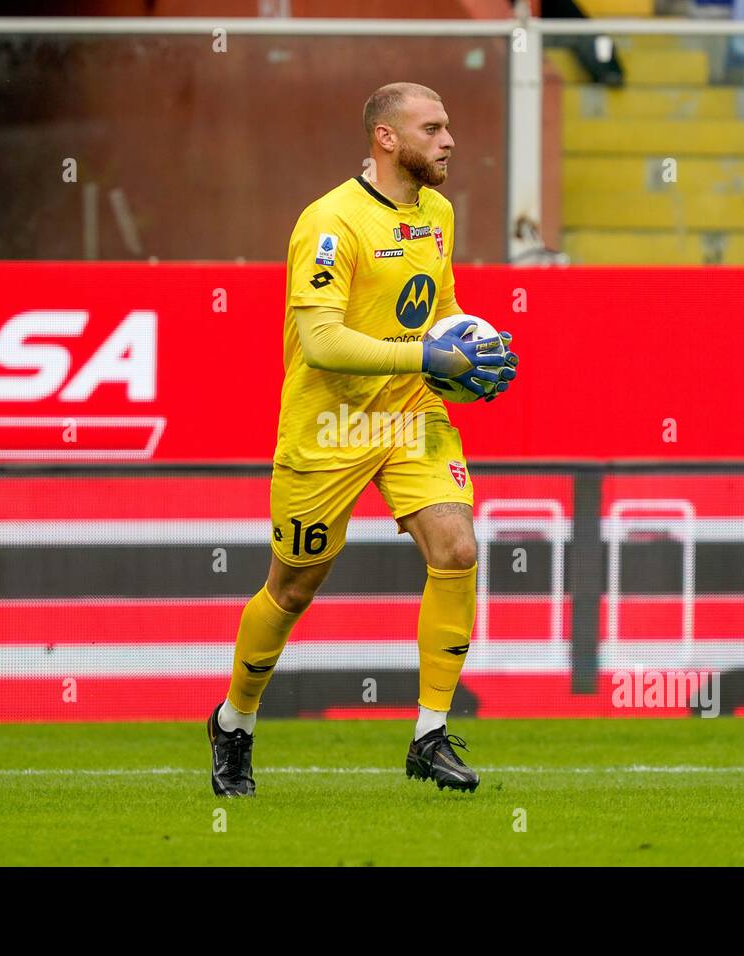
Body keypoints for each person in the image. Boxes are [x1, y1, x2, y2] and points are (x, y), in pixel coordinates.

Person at [207, 82, 519, 797]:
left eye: (449, 127)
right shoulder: (329, 223)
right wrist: (424, 356)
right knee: (292, 587)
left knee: (458, 549)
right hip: (330, 426)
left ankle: (429, 736)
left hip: (413, 415)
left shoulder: (436, 211)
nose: (448, 141)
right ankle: (235, 721)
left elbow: (439, 309)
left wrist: (476, 348)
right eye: (433, 128)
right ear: (387, 139)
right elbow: (319, 341)